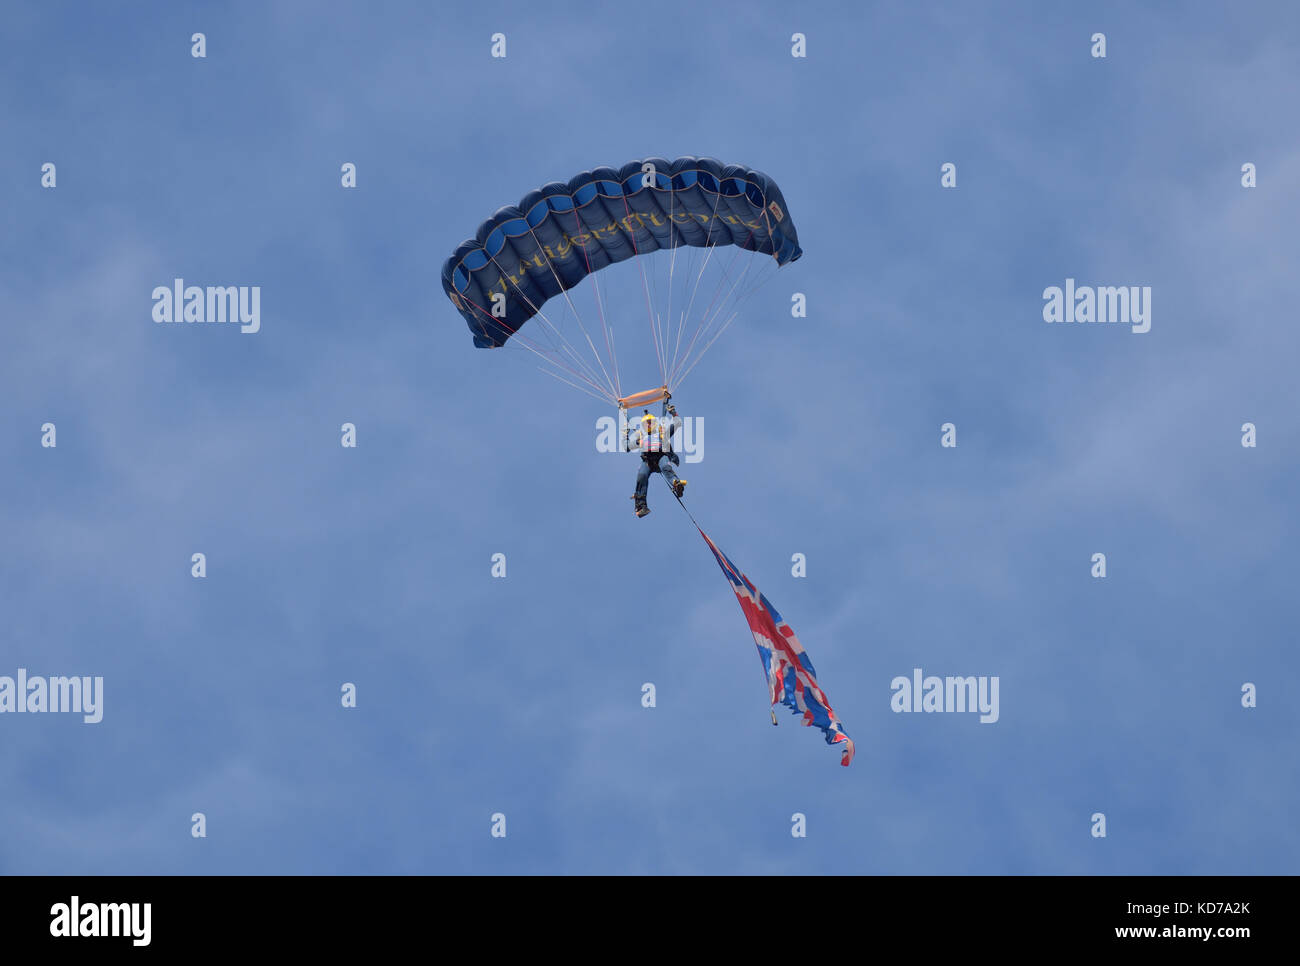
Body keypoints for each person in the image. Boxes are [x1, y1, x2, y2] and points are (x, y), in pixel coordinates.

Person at [625, 399, 686, 517]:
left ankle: (676, 483)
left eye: (650, 422)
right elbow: (626, 447)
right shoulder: (641, 438)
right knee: (641, 476)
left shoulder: (662, 434)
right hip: (647, 461)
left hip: (660, 457)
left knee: (665, 467)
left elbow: (677, 424)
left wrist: (673, 413)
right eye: (645, 423)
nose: (648, 424)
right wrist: (625, 435)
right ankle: (641, 506)